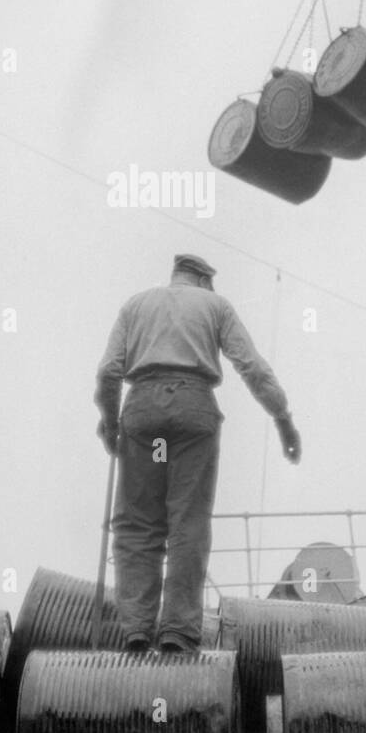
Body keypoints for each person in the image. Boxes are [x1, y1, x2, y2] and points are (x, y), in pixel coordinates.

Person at [94, 254, 302, 654]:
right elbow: (252, 368)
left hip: (145, 415)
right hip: (192, 412)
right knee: (187, 520)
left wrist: (110, 420)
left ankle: (136, 627)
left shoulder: (136, 305)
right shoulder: (215, 306)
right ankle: (178, 631)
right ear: (205, 281)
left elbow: (108, 372)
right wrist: (283, 419)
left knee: (139, 522)